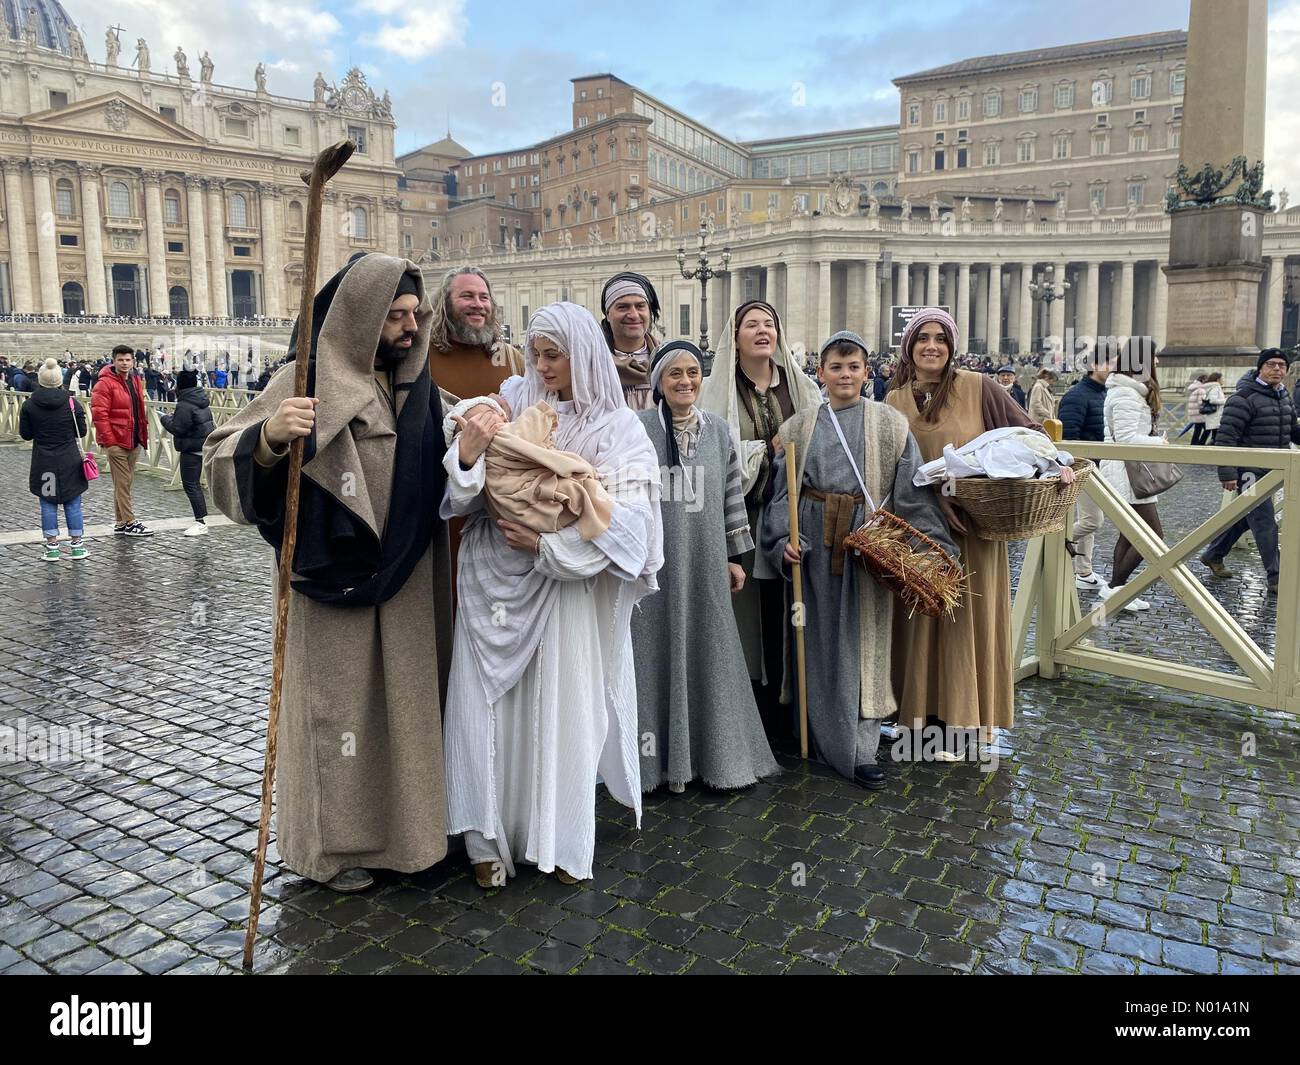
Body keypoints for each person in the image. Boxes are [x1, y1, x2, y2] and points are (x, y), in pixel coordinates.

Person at [203, 252, 454, 894]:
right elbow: (217, 465)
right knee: (338, 718)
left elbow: (469, 435)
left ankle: (410, 839)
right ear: (361, 319)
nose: (407, 327)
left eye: (413, 315)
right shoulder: (300, 378)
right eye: (393, 316)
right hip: (329, 584)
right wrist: (268, 437)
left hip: (409, 585)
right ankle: (332, 851)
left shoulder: (420, 390)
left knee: (405, 715)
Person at [441, 302, 661, 887]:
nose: (541, 366)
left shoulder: (618, 427)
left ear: (583, 353)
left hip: (564, 588)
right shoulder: (511, 398)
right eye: (536, 354)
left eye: (553, 355)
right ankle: (484, 839)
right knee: (488, 706)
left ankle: (560, 838)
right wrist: (468, 453)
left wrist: (552, 545)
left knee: (563, 706)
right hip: (492, 577)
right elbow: (461, 490)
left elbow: (636, 522)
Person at [763, 333, 958, 786]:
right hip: (813, 543)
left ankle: (860, 747)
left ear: (867, 373)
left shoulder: (889, 424)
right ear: (821, 374)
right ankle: (812, 732)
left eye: (854, 367)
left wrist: (935, 549)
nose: (845, 375)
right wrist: (779, 543)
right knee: (814, 636)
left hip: (866, 543)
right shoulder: (797, 427)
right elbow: (782, 493)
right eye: (836, 367)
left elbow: (911, 490)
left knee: (865, 640)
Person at [886, 309, 1041, 753]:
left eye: (941, 339)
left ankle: (963, 724)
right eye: (922, 338)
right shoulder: (894, 400)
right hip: (915, 533)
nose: (931, 346)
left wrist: (1053, 468)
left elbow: (1027, 437)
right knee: (918, 623)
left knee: (961, 623)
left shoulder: (980, 387)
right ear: (909, 347)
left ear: (952, 348)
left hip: (969, 531)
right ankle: (915, 720)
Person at [633, 340, 779, 793]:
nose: (685, 381)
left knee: (710, 651)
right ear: (659, 381)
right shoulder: (637, 430)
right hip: (654, 567)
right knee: (653, 656)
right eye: (674, 373)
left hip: (707, 560)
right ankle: (652, 766)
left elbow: (731, 499)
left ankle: (717, 756)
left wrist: (735, 559)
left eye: (693, 372)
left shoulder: (717, 431)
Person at [699, 300, 821, 730]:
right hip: (742, 519)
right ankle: (751, 709)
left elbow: (817, 438)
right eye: (751, 324)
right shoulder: (718, 391)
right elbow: (711, 453)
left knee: (791, 608)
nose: (762, 330)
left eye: (769, 323)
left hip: (792, 518)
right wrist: (763, 452)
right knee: (748, 612)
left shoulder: (800, 387)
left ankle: (795, 707)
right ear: (735, 337)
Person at [426, 266, 525, 573]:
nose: (478, 304)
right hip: (436, 498)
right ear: (445, 303)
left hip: (499, 506)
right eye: (466, 296)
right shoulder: (420, 357)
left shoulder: (511, 359)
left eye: (484, 297)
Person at [1199, 350, 1300, 594]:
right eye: (1271, 364)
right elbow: (1226, 438)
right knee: (1265, 522)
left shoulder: (1283, 395)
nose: (1277, 369)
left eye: (1281, 365)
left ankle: (1214, 554)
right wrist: (1227, 472)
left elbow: (1291, 431)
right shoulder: (1243, 397)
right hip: (1248, 472)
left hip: (1273, 469)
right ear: (1260, 368)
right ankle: (1277, 576)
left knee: (1248, 516)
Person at [1098, 353, 1168, 612]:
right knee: (1153, 536)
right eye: (1153, 357)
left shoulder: (1130, 391)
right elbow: (1126, 439)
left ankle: (1118, 590)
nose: (1158, 362)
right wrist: (1159, 442)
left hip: (1131, 470)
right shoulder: (1125, 394)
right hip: (1126, 472)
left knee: (1129, 535)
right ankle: (1115, 588)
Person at [19, 358, 89, 561]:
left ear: (40, 380)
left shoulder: (30, 404)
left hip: (44, 461)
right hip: (69, 460)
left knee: (47, 504)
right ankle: (77, 546)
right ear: (59, 380)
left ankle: (52, 548)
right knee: (73, 502)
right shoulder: (71, 403)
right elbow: (82, 432)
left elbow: (26, 434)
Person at [1058, 348, 1112, 592]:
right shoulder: (1076, 396)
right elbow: (1069, 439)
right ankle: (1056, 541)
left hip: (1100, 466)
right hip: (1083, 468)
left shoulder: (1105, 394)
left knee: (1087, 520)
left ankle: (1084, 572)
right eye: (1111, 363)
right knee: (1093, 521)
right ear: (1095, 365)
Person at [91, 344, 152, 536]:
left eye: (128, 360)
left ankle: (120, 522)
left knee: (124, 483)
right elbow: (99, 415)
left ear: (133, 361)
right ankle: (131, 521)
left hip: (133, 439)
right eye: (120, 360)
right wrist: (110, 442)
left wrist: (143, 434)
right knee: (123, 483)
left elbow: (138, 410)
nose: (124, 363)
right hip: (117, 442)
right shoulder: (104, 383)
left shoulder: (135, 380)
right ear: (114, 361)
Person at [160, 369, 215, 536]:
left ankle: (200, 522)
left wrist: (165, 419)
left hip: (191, 449)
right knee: (195, 485)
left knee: (191, 485)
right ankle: (201, 521)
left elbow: (178, 428)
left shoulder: (184, 403)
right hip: (203, 445)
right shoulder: (200, 399)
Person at [599, 272, 660, 410]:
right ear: (608, 314)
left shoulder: (666, 361)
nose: (633, 315)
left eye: (640, 306)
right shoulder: (594, 363)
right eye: (623, 307)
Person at [1198, 372, 1227, 445]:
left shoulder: (1213, 387)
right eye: (1221, 379)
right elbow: (1212, 400)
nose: (1223, 380)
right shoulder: (1215, 388)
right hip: (1216, 415)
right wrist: (1225, 401)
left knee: (1215, 436)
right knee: (1215, 437)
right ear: (1218, 380)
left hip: (1215, 415)